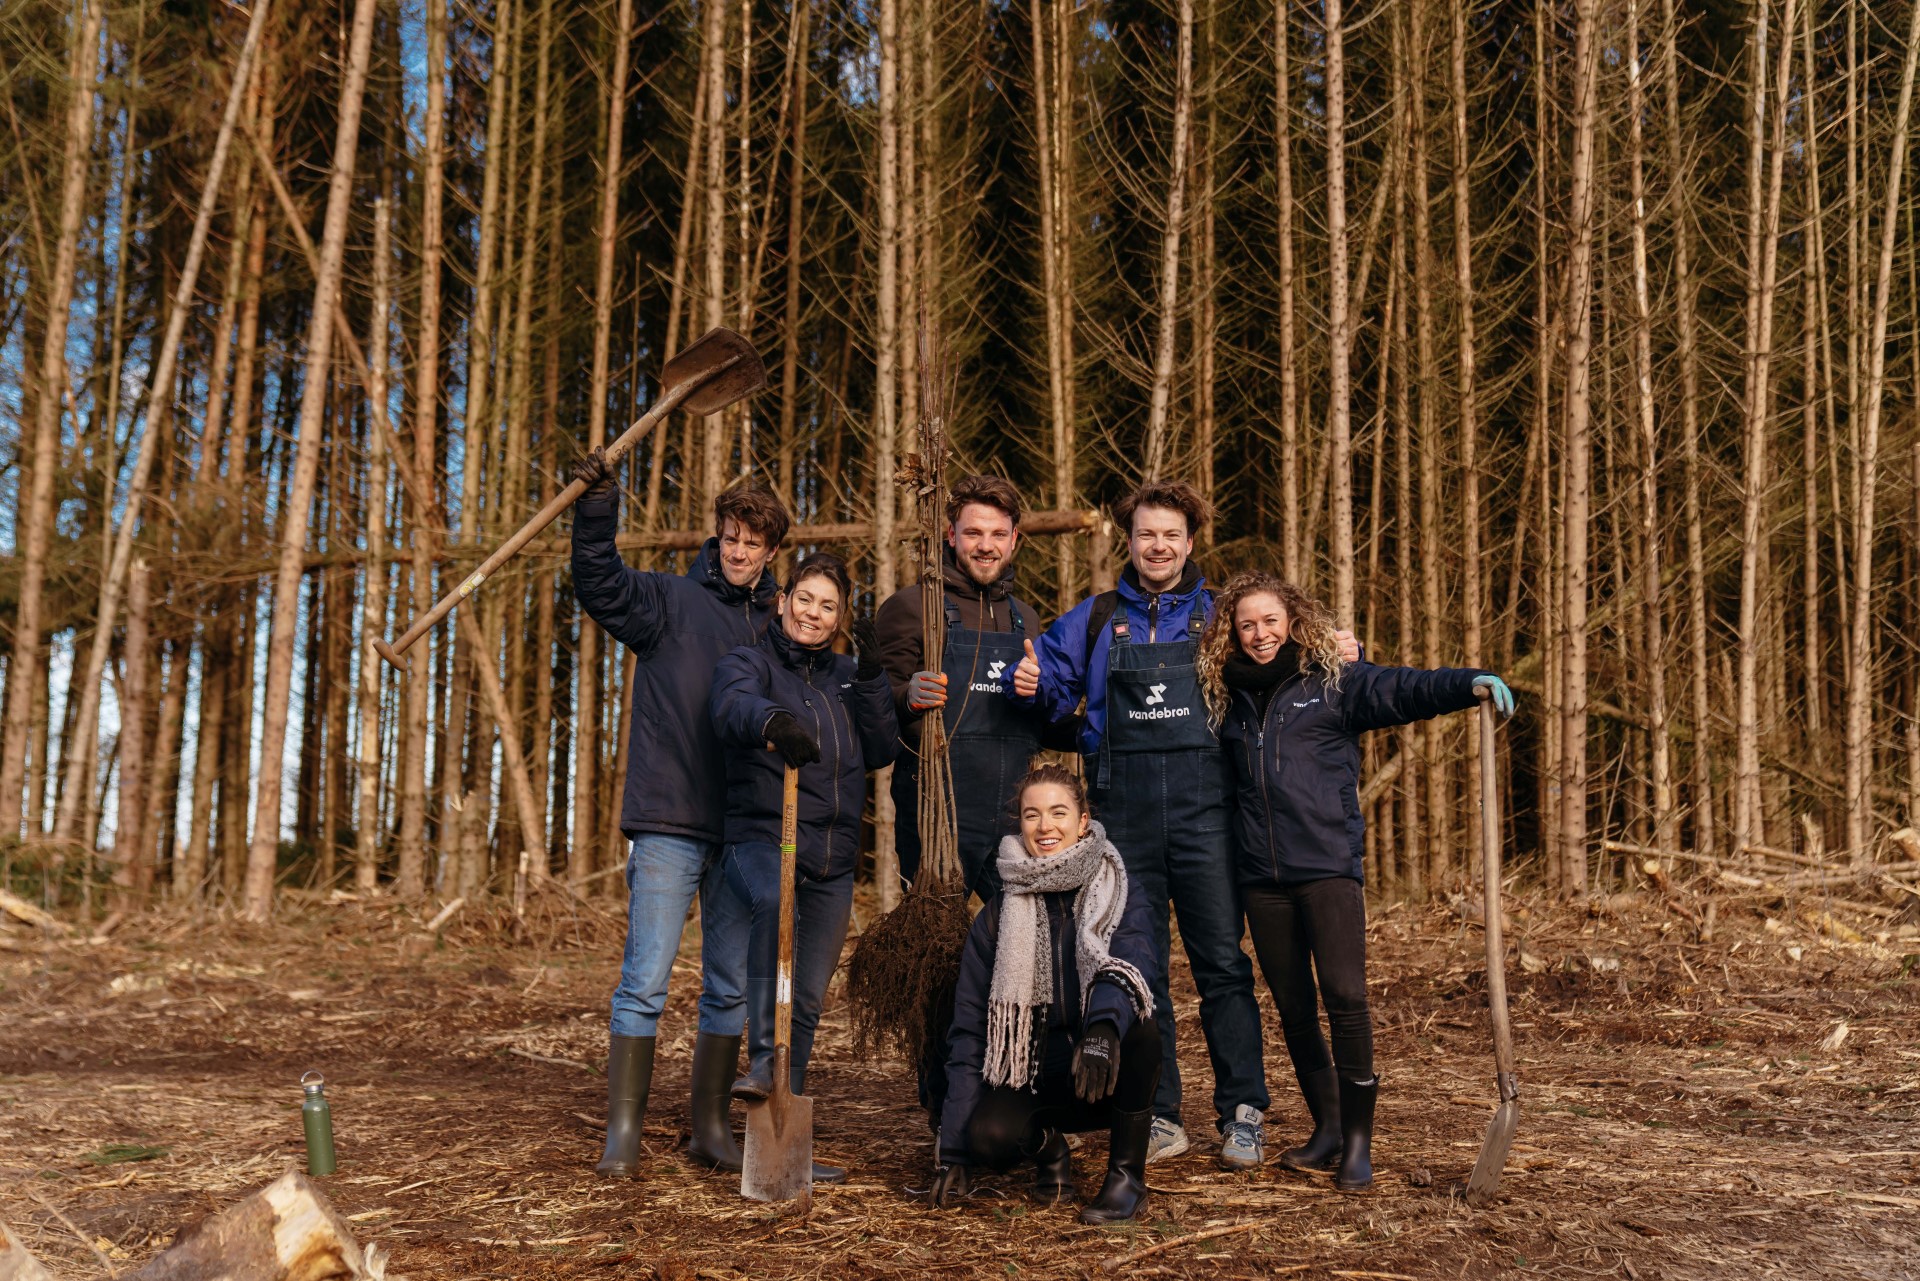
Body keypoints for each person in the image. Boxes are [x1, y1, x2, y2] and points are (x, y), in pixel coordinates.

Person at [1010, 480, 1362, 1169]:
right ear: (1129, 540)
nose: (1159, 546)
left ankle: (1243, 1111)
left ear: (1190, 541)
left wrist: (1337, 649)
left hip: (1208, 817)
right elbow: (1050, 696)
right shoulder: (1093, 619)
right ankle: (1160, 1113)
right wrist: (1032, 686)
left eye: (1171, 534)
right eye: (1147, 534)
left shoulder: (1220, 614)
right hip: (1125, 817)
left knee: (1223, 965)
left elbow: (1281, 657)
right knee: (1142, 968)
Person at [1196, 570, 1515, 1190]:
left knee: (1344, 998)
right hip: (1261, 877)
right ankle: (1329, 1127)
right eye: (1246, 625)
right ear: (1231, 634)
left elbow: (1405, 689)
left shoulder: (1333, 682)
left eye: (1270, 621)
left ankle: (1359, 1143)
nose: (1260, 635)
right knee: (1292, 1007)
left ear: (1293, 621)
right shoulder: (1224, 697)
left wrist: (1468, 682)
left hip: (1327, 868)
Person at [571, 449, 789, 1179]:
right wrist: (597, 508)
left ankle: (710, 1129)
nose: (739, 551)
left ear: (770, 552)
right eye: (731, 537)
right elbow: (599, 581)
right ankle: (623, 1131)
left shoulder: (779, 629)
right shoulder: (667, 600)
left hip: (744, 827)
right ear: (717, 536)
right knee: (645, 982)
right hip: (669, 817)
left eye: (753, 543)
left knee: (728, 986)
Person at [709, 551, 898, 1180]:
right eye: (805, 599)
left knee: (809, 998)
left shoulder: (846, 676)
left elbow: (880, 748)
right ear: (783, 598)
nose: (813, 613)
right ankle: (765, 1060)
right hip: (764, 838)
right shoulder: (750, 662)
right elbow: (730, 705)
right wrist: (772, 719)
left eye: (828, 606)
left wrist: (873, 677)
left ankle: (781, 1132)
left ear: (839, 618)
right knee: (773, 903)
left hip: (832, 860)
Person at [927, 764, 1162, 1223]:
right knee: (988, 1138)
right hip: (1034, 1073)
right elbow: (970, 1028)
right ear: (1020, 824)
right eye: (1031, 815)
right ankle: (1051, 1151)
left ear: (1083, 820)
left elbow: (1134, 960)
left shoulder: (1118, 889)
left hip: (1102, 1064)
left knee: (1142, 1028)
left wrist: (1102, 1028)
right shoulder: (997, 914)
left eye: (1058, 812)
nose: (1044, 826)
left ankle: (1126, 1180)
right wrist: (952, 1151)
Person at [875, 473, 1050, 902]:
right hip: (936, 816)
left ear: (1014, 540)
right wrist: (907, 697)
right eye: (973, 533)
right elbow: (873, 709)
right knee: (935, 933)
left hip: (1013, 814)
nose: (986, 545)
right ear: (951, 536)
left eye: (998, 534)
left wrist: (1041, 695)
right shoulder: (912, 607)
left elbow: (1039, 718)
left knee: (1022, 930)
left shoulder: (1025, 618)